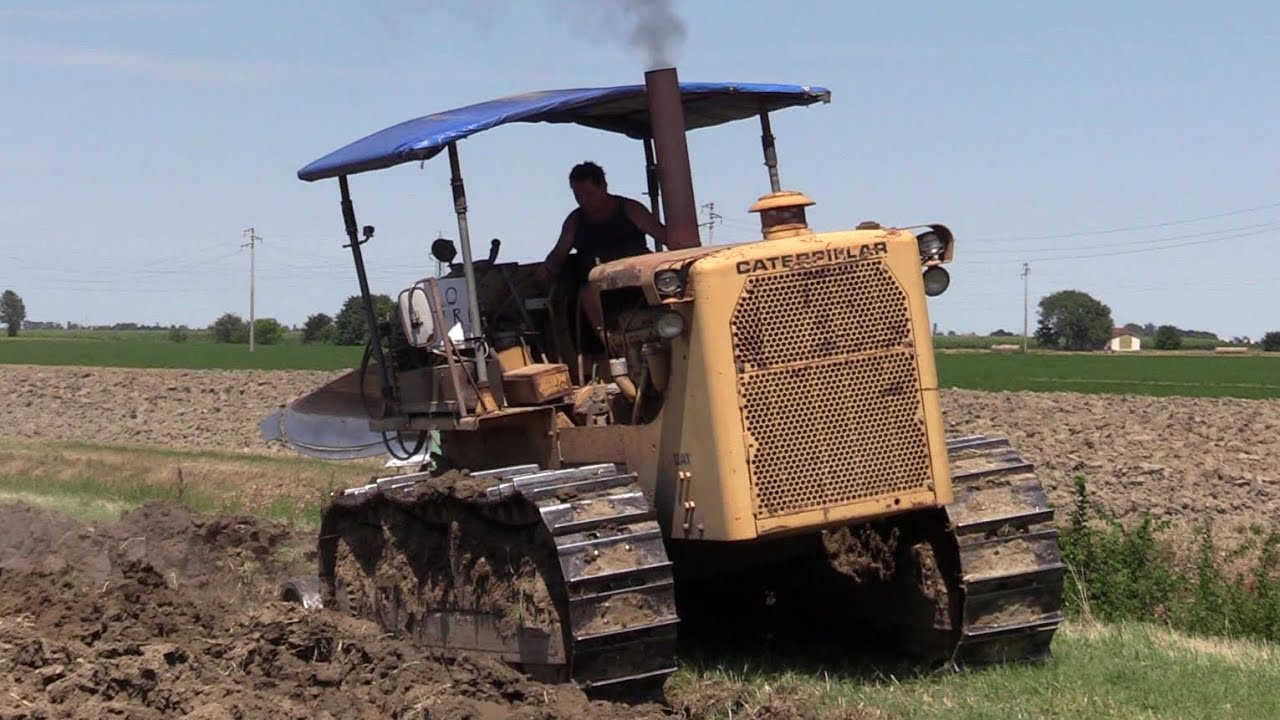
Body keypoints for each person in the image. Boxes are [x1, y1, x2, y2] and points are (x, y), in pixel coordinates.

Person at [539, 161, 667, 339]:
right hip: (598, 284)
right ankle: (610, 342)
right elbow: (558, 255)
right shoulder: (574, 221)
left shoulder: (630, 209)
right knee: (586, 294)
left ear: (603, 187)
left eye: (588, 194)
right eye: (578, 196)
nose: (584, 200)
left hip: (637, 277)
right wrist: (546, 271)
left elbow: (664, 236)